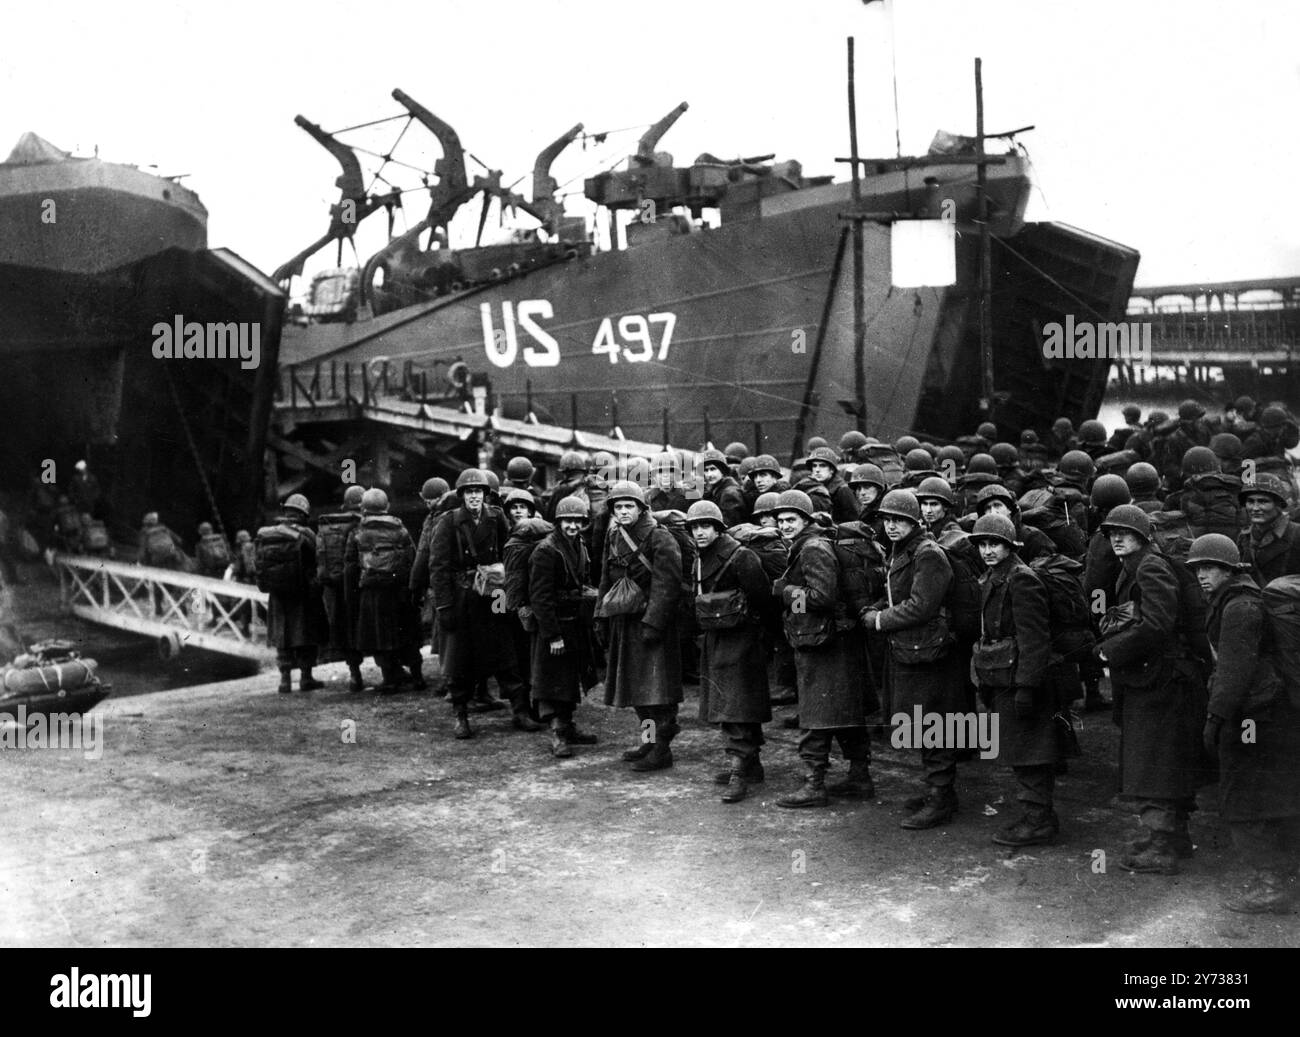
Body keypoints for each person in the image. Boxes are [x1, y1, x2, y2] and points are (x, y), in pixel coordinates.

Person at [1096, 504, 1210, 874]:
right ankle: (1170, 837)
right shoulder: (1134, 566)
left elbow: (1158, 625)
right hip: (1155, 676)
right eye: (1112, 531)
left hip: (1161, 678)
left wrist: (1110, 652)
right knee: (1160, 759)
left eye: (1125, 532)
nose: (1117, 537)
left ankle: (1163, 846)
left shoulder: (1150, 566)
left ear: (1144, 536)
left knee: (1155, 762)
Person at [1189, 534, 1300, 913]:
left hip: (1252, 717)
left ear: (1230, 569)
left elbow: (1234, 671)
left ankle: (1270, 885)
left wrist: (1215, 718)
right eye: (1199, 568)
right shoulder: (1236, 599)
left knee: (1244, 800)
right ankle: (1276, 879)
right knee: (1268, 797)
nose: (1203, 575)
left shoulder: (1239, 607)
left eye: (1211, 567)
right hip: (1265, 713)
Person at [861, 489, 960, 829]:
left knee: (932, 723)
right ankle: (938, 791)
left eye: (899, 520)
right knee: (921, 722)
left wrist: (879, 620)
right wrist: (876, 606)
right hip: (912, 649)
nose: (891, 526)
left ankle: (941, 797)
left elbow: (922, 605)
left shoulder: (927, 553)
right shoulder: (903, 549)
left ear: (914, 521)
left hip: (929, 653)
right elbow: (897, 594)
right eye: (887, 519)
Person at [772, 490, 875, 808]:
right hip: (833, 640)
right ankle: (860, 776)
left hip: (824, 642)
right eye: (781, 520)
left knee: (817, 714)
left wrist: (786, 592)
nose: (785, 525)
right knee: (843, 711)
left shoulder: (813, 547)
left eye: (792, 519)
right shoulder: (811, 543)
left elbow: (821, 597)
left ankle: (814, 782)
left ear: (806, 520)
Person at [969, 513, 1057, 845]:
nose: (988, 550)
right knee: (1020, 748)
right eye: (983, 545)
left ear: (1009, 546)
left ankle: (1038, 820)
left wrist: (1027, 687)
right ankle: (1037, 815)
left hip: (1021, 677)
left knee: (1030, 750)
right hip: (1003, 675)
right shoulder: (993, 576)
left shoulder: (1022, 579)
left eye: (995, 544)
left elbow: (1035, 638)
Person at [429, 468, 534, 738]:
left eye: (478, 491)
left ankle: (520, 711)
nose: (474, 496)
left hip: (494, 594)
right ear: (462, 494)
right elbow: (438, 568)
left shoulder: (496, 517)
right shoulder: (448, 522)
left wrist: (510, 589)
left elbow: (509, 551)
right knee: (459, 660)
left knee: (505, 650)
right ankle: (461, 715)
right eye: (469, 491)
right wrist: (444, 607)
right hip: (462, 597)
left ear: (486, 495)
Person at [684, 501, 772, 802]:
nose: (700, 532)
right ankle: (752, 765)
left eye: (705, 525)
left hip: (743, 641)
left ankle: (738, 772)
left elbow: (763, 599)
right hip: (715, 639)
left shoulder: (740, 556)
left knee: (736, 708)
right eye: (695, 527)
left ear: (718, 527)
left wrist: (760, 638)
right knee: (731, 705)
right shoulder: (698, 558)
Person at [598, 480, 683, 771]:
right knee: (637, 691)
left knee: (657, 692)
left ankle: (662, 749)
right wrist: (601, 616)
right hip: (625, 622)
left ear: (641, 508)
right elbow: (605, 578)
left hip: (651, 625)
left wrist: (653, 623)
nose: (622, 511)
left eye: (628, 506)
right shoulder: (614, 535)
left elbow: (667, 584)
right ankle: (648, 741)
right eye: (618, 507)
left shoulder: (660, 537)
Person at [529, 495, 601, 758]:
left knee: (570, 678)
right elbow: (540, 597)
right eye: (567, 521)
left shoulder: (578, 544)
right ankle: (558, 733)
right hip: (556, 627)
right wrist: (552, 635)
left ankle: (568, 726)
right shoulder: (546, 550)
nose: (572, 526)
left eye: (577, 521)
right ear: (558, 522)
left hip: (575, 623)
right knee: (552, 682)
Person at [345, 488, 420, 691]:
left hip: (371, 593)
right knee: (406, 631)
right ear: (387, 507)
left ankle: (389, 679)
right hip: (398, 590)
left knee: (380, 636)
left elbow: (350, 567)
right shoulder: (400, 529)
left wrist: (351, 595)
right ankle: (417, 676)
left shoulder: (357, 532)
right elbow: (412, 558)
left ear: (364, 508)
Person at [256, 494, 327, 693]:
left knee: (282, 638)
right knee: (305, 635)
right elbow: (318, 560)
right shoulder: (307, 535)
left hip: (278, 596)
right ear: (304, 514)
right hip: (303, 594)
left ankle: (285, 680)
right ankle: (306, 678)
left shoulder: (269, 534)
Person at [318, 486, 367, 691]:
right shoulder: (362, 524)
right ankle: (391, 671)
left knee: (346, 631)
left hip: (336, 589)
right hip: (361, 586)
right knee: (372, 626)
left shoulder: (328, 527)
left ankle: (355, 675)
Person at [1236, 473, 1300, 585]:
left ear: (1278, 505)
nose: (1255, 508)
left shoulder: (1296, 534)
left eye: (1263, 501)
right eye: (1250, 502)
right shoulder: (1244, 537)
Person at [699, 449, 749, 527]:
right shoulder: (716, 490)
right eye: (706, 470)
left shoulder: (730, 493)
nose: (709, 474)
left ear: (722, 470)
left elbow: (729, 524)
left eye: (713, 469)